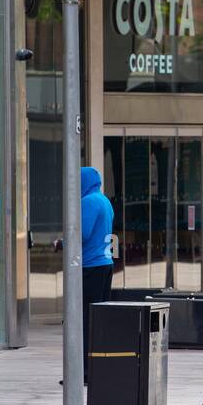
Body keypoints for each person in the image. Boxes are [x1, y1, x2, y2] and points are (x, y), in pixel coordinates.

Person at [81, 165, 115, 385]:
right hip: (105, 263)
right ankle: (98, 367)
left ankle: (83, 371)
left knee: (83, 319)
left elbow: (81, 233)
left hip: (90, 266)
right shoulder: (105, 200)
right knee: (98, 318)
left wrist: (62, 242)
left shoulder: (88, 202)